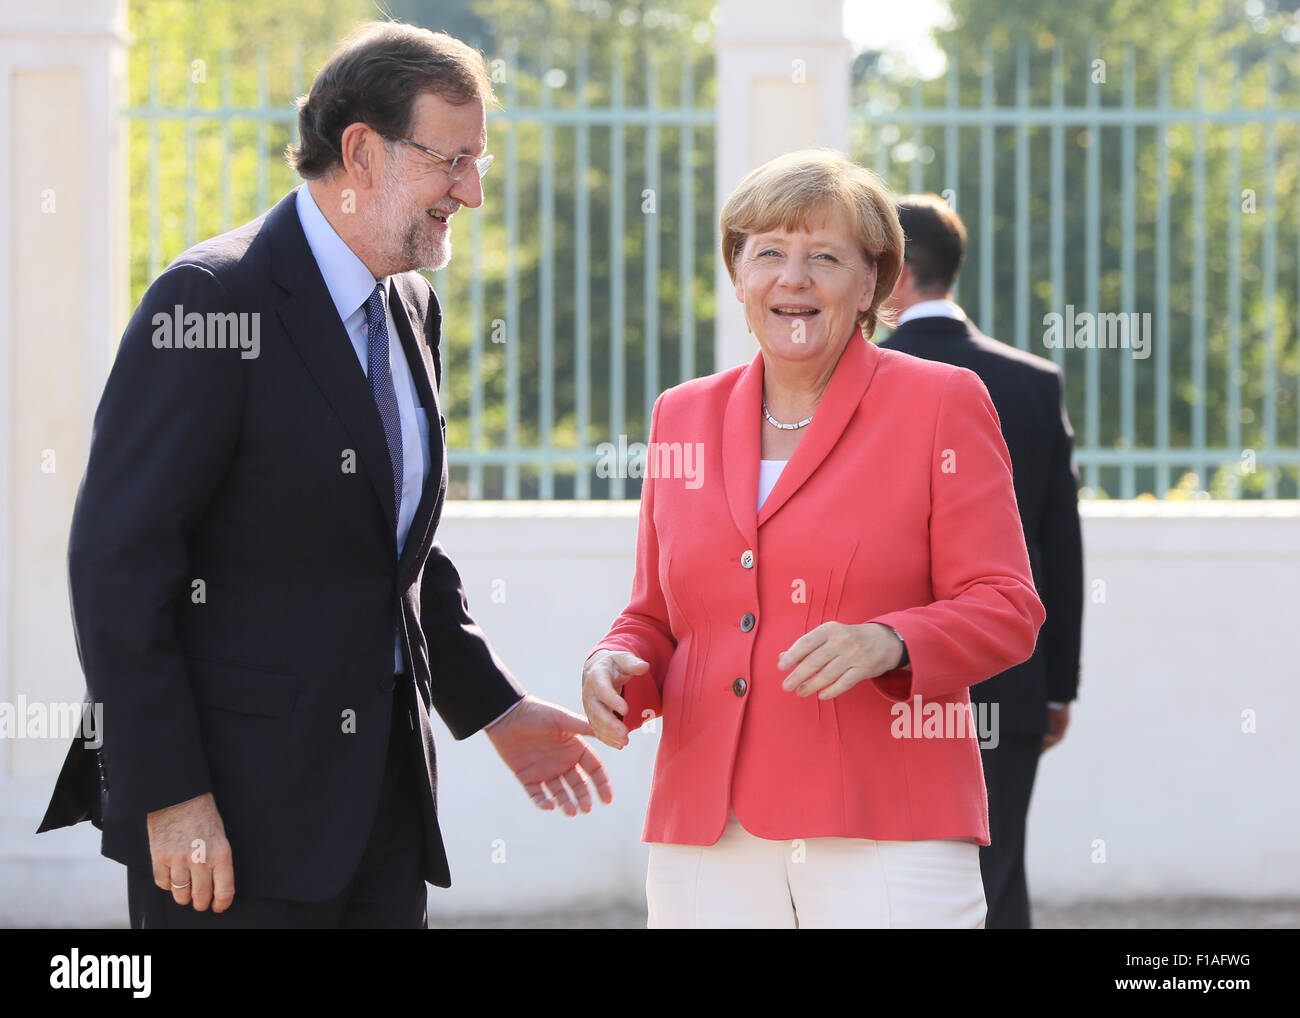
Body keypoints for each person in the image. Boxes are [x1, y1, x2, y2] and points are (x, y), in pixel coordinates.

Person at [38, 21, 610, 929]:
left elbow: (393, 554)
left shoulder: (409, 302)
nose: (473, 191)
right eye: (451, 161)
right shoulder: (211, 301)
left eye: (480, 161)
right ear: (361, 153)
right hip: (225, 825)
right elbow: (119, 565)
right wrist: (170, 796)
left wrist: (495, 707)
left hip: (381, 811)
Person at [580, 149, 1045, 929]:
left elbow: (1007, 607)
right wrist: (617, 661)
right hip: (706, 829)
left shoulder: (940, 403)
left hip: (887, 827)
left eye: (823, 257)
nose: (792, 279)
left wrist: (891, 640)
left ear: (872, 283)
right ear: (738, 275)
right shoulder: (680, 416)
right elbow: (655, 615)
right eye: (768, 253)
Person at [880, 193, 1084, 929]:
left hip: (872, 680)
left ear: (892, 273)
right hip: (1006, 674)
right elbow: (1059, 547)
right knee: (994, 878)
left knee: (879, 878)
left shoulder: (847, 380)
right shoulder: (1032, 383)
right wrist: (1058, 685)